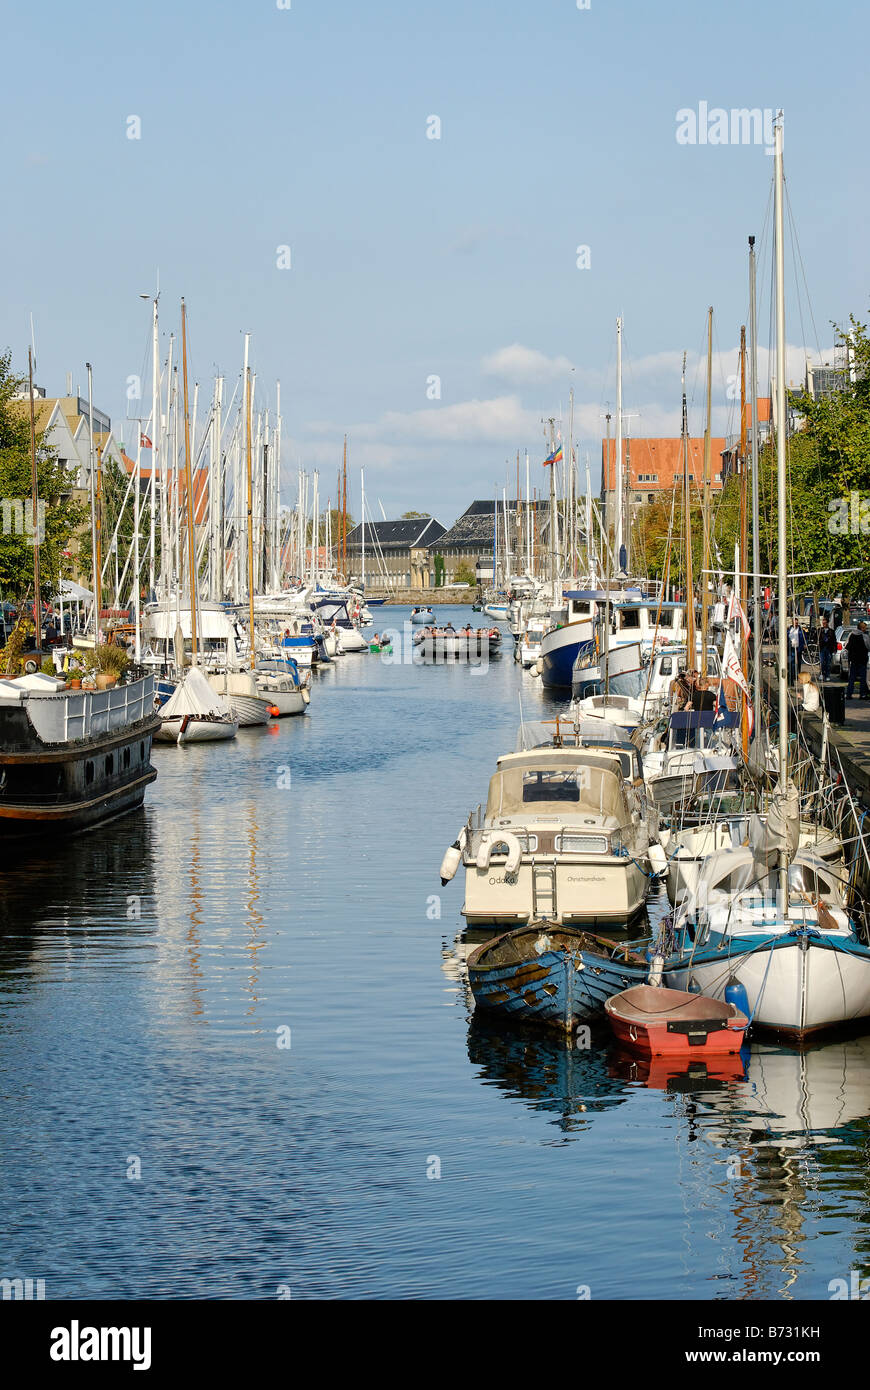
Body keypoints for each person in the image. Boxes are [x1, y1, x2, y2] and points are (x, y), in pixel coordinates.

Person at [845, 624, 870, 699]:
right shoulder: (864, 636)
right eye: (864, 628)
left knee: (852, 677)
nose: (865, 629)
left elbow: (847, 646)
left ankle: (849, 694)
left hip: (853, 659)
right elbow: (868, 646)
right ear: (861, 628)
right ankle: (862, 694)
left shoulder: (851, 635)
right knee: (863, 678)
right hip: (862, 659)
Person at [817, 615, 838, 682]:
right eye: (823, 623)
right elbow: (816, 638)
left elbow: (834, 640)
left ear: (827, 623)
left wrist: (835, 649)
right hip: (822, 648)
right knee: (822, 662)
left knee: (828, 663)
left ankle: (827, 675)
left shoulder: (831, 631)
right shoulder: (820, 630)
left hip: (829, 648)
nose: (824, 624)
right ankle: (822, 674)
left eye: (825, 623)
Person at [787, 617, 806, 684]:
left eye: (797, 622)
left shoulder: (801, 630)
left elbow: (804, 638)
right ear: (792, 623)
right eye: (795, 622)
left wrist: (804, 644)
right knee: (792, 662)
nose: (796, 623)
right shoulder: (789, 629)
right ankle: (793, 675)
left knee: (798, 662)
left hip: (798, 647)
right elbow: (787, 637)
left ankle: (798, 674)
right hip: (792, 647)